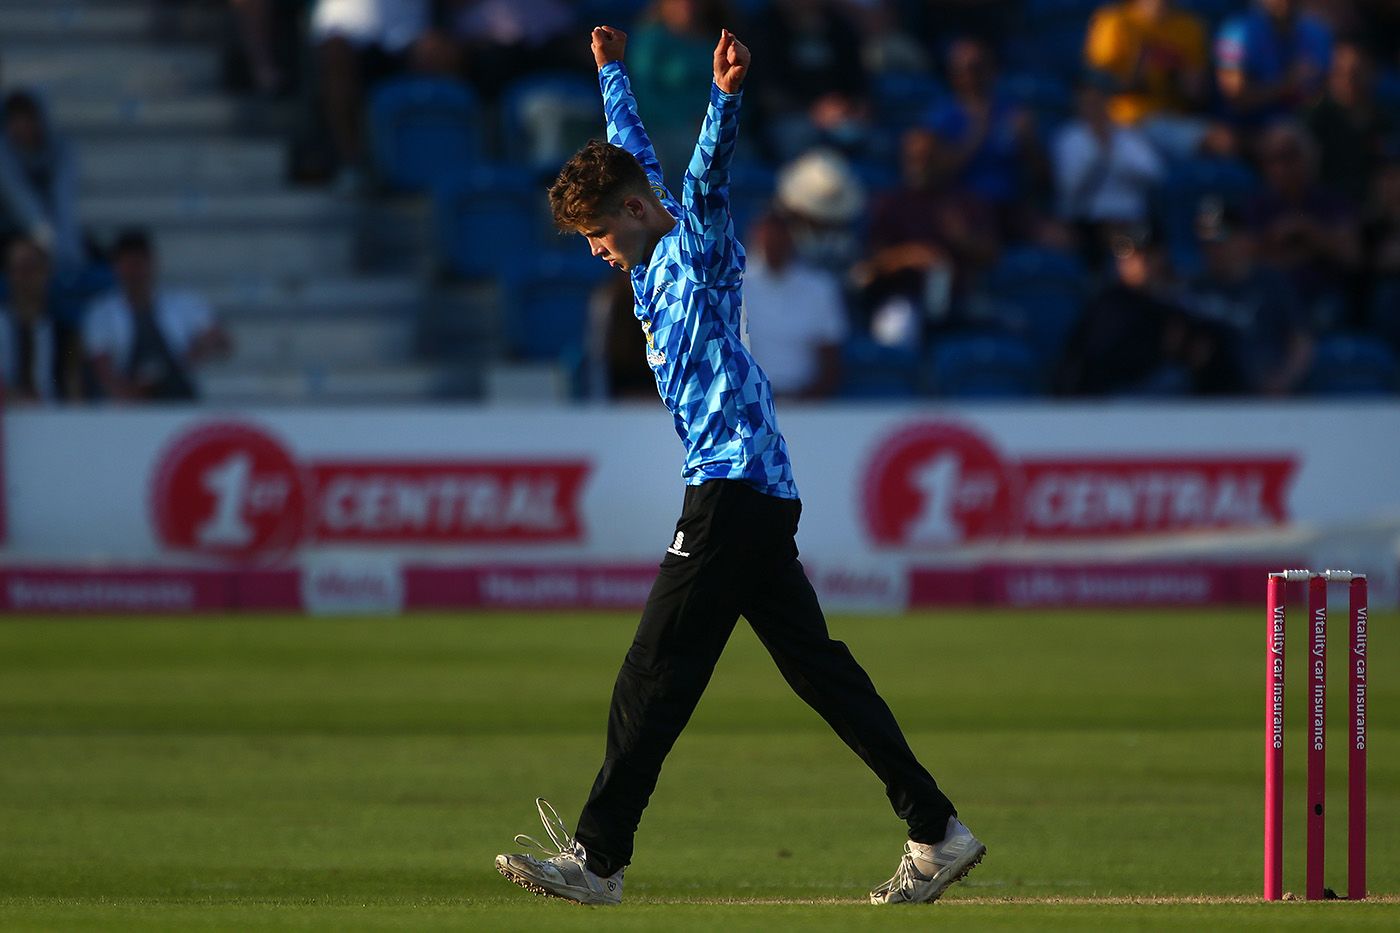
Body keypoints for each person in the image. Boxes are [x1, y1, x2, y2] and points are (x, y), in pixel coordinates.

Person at [495, 24, 983, 907]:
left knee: (653, 671)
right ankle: (936, 829)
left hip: (732, 484)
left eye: (598, 232)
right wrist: (610, 74)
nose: (594, 250)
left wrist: (724, 99)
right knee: (819, 671)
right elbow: (629, 155)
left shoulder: (696, 248)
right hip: (756, 490)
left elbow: (702, 178)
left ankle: (598, 859)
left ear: (637, 213)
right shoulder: (645, 254)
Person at [82, 229, 231, 402]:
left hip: (179, 398)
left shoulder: (184, 304)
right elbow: (103, 370)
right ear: (116, 267)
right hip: (128, 402)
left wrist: (199, 348)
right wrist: (129, 395)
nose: (135, 273)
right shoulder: (101, 313)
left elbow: (223, 342)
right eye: (129, 265)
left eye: (139, 264)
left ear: (152, 263)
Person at [741, 211, 847, 398]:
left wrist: (806, 399)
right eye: (768, 239)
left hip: (806, 403)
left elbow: (830, 356)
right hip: (748, 402)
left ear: (791, 240)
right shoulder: (735, 286)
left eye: (779, 239)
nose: (773, 245)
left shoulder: (820, 287)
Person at [1214, 0, 1333, 132]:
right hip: (1243, 128)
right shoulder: (1236, 30)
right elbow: (1235, 98)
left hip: (1305, 124)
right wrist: (1286, 85)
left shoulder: (1318, 32)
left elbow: (1327, 87)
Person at [0, 90, 82, 279]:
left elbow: (64, 203)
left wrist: (68, 255)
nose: (21, 129)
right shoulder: (3, 156)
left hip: (53, 235)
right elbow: (24, 206)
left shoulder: (61, 150)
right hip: (13, 232)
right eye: (15, 122)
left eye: (27, 120)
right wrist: (52, 247)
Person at [0, 237, 82, 403]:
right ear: (8, 274)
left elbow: (74, 389)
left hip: (51, 417)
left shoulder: (65, 333)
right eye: (20, 269)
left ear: (46, 272)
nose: (26, 277)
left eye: (32, 268)